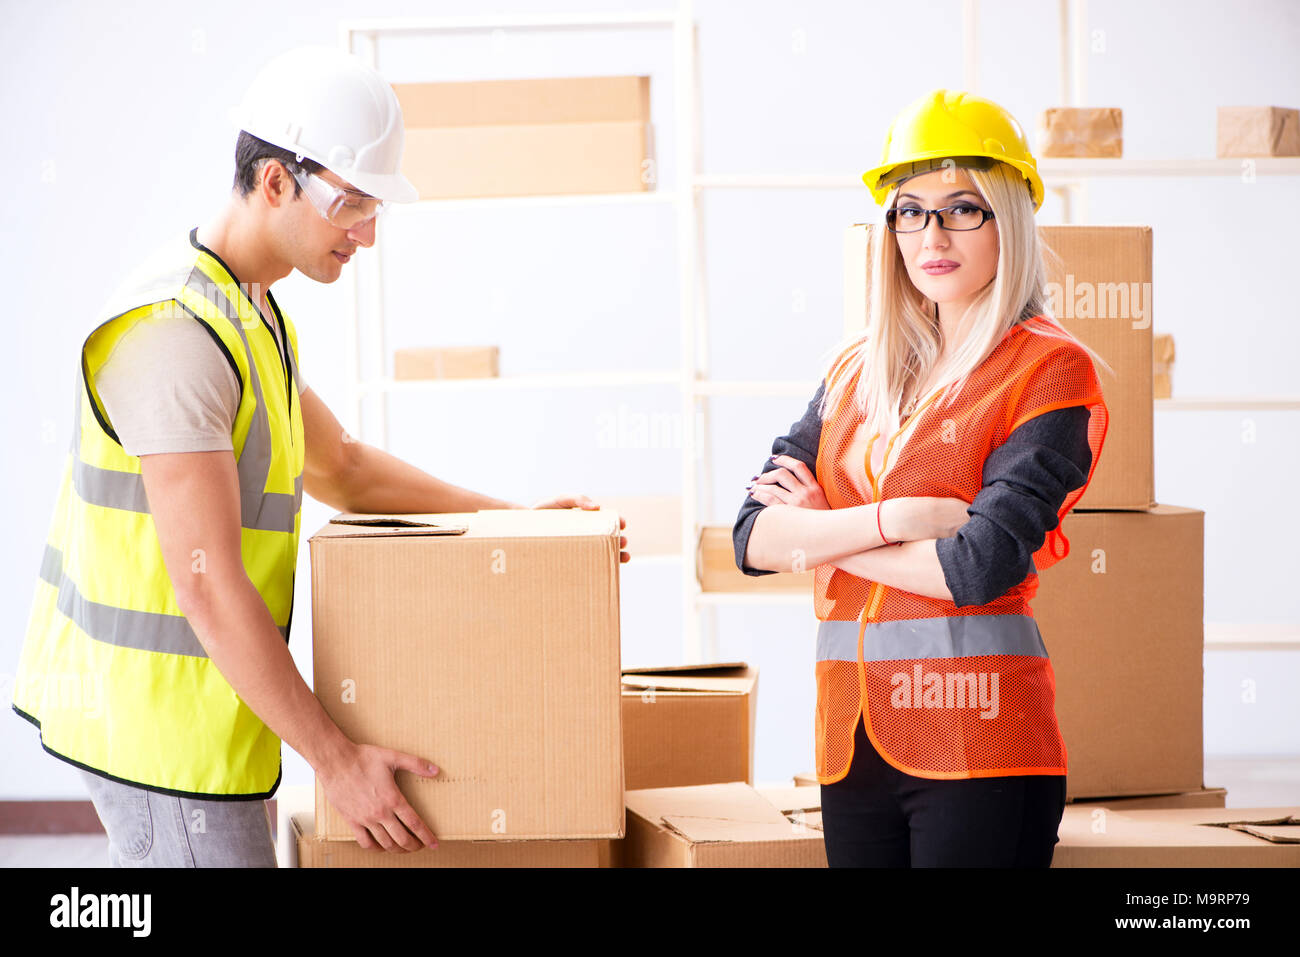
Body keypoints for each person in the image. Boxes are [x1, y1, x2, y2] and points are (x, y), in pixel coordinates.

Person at [11, 46, 628, 868]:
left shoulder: (251, 314)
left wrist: (514, 519)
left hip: (214, 719)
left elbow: (344, 466)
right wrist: (337, 763)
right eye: (351, 205)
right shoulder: (174, 334)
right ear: (275, 181)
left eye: (378, 209)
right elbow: (204, 580)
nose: (368, 234)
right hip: (159, 737)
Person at [733, 89, 1109, 867]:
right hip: (852, 745)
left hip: (980, 743)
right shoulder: (856, 368)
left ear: (1010, 217)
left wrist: (822, 530)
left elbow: (977, 567)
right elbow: (751, 536)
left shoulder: (1047, 368)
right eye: (910, 210)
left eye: (962, 208)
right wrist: (894, 518)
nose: (931, 234)